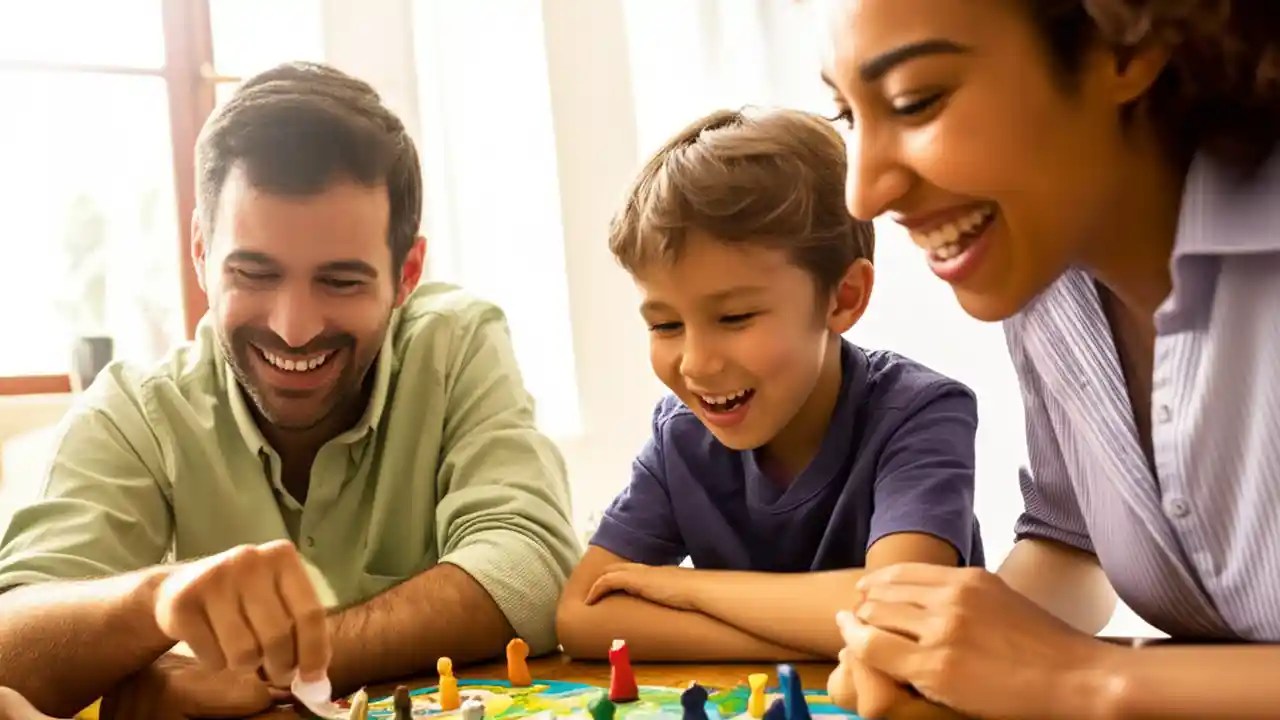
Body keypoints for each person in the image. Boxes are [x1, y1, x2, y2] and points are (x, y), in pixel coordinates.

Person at [0, 62, 579, 718]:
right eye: (253, 272)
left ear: (408, 272)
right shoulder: (135, 412)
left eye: (340, 282)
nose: (294, 328)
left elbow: (531, 574)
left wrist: (252, 664)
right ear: (199, 249)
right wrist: (158, 603)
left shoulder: (455, 345)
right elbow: (9, 648)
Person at [817, 1, 1280, 718]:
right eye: (850, 116)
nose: (863, 192)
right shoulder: (1045, 280)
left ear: (1123, 48)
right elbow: (1071, 546)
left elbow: (1075, 674)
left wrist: (1087, 681)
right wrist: (931, 660)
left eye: (916, 102)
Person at [556, 107, 983, 676]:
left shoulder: (922, 412)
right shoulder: (679, 434)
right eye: (664, 325)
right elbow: (581, 618)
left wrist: (689, 590)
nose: (696, 364)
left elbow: (900, 614)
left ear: (843, 298)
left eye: (734, 317)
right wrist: (811, 636)